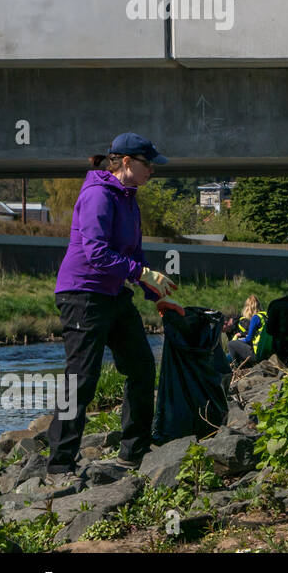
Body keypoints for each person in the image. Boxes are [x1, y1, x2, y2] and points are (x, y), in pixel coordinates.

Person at [47, 133, 180, 475]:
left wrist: (157, 297)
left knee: (140, 367)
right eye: (147, 163)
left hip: (114, 294)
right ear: (125, 162)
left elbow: (134, 255)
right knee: (82, 379)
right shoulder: (98, 196)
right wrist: (143, 275)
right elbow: (96, 254)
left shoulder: (128, 198)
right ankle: (59, 463)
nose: (152, 170)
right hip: (82, 294)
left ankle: (132, 453)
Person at [227, 294, 267, 366]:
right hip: (268, 352)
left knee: (231, 344)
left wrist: (238, 340)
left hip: (258, 354)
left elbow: (248, 339)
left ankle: (237, 367)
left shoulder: (255, 318)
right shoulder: (266, 315)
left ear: (248, 308)